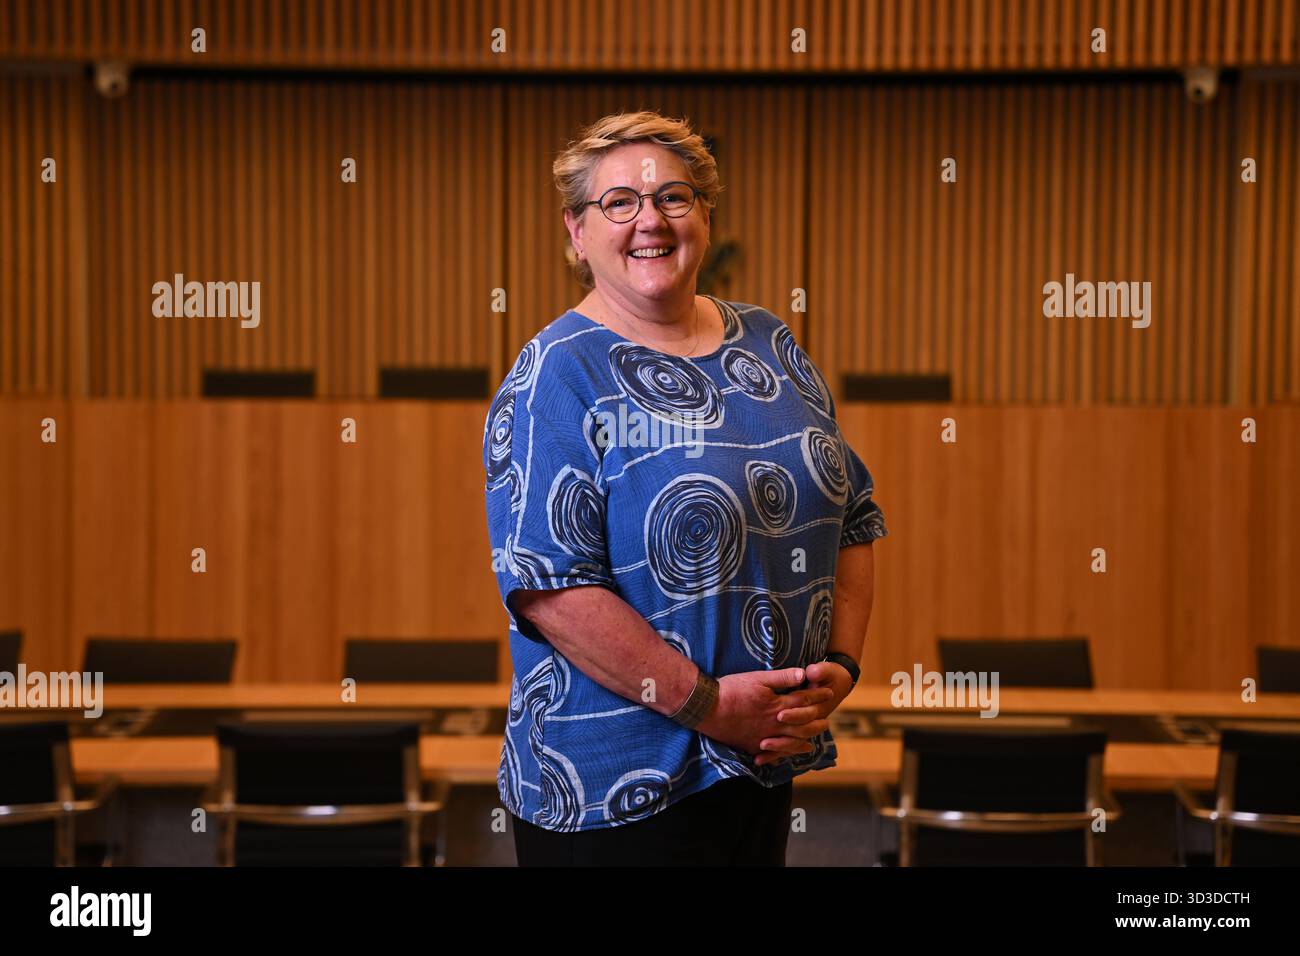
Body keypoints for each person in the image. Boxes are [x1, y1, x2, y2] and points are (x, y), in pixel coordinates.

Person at [482, 110, 887, 866]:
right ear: (576, 231)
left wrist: (839, 667)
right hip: (615, 791)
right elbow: (552, 592)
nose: (650, 221)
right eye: (619, 203)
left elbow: (854, 514)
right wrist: (708, 705)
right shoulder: (556, 376)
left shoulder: (769, 343)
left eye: (674, 197)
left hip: (760, 758)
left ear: (704, 215)